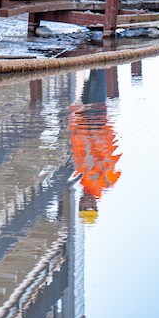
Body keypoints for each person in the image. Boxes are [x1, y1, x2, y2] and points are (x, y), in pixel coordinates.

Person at [69, 68, 121, 225]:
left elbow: (80, 149)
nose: (86, 204)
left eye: (83, 207)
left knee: (95, 71)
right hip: (95, 122)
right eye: (89, 207)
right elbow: (101, 150)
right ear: (95, 205)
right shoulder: (103, 182)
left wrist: (77, 122)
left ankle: (93, 46)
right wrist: (91, 127)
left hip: (85, 121)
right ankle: (100, 46)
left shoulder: (83, 181)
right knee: (98, 70)